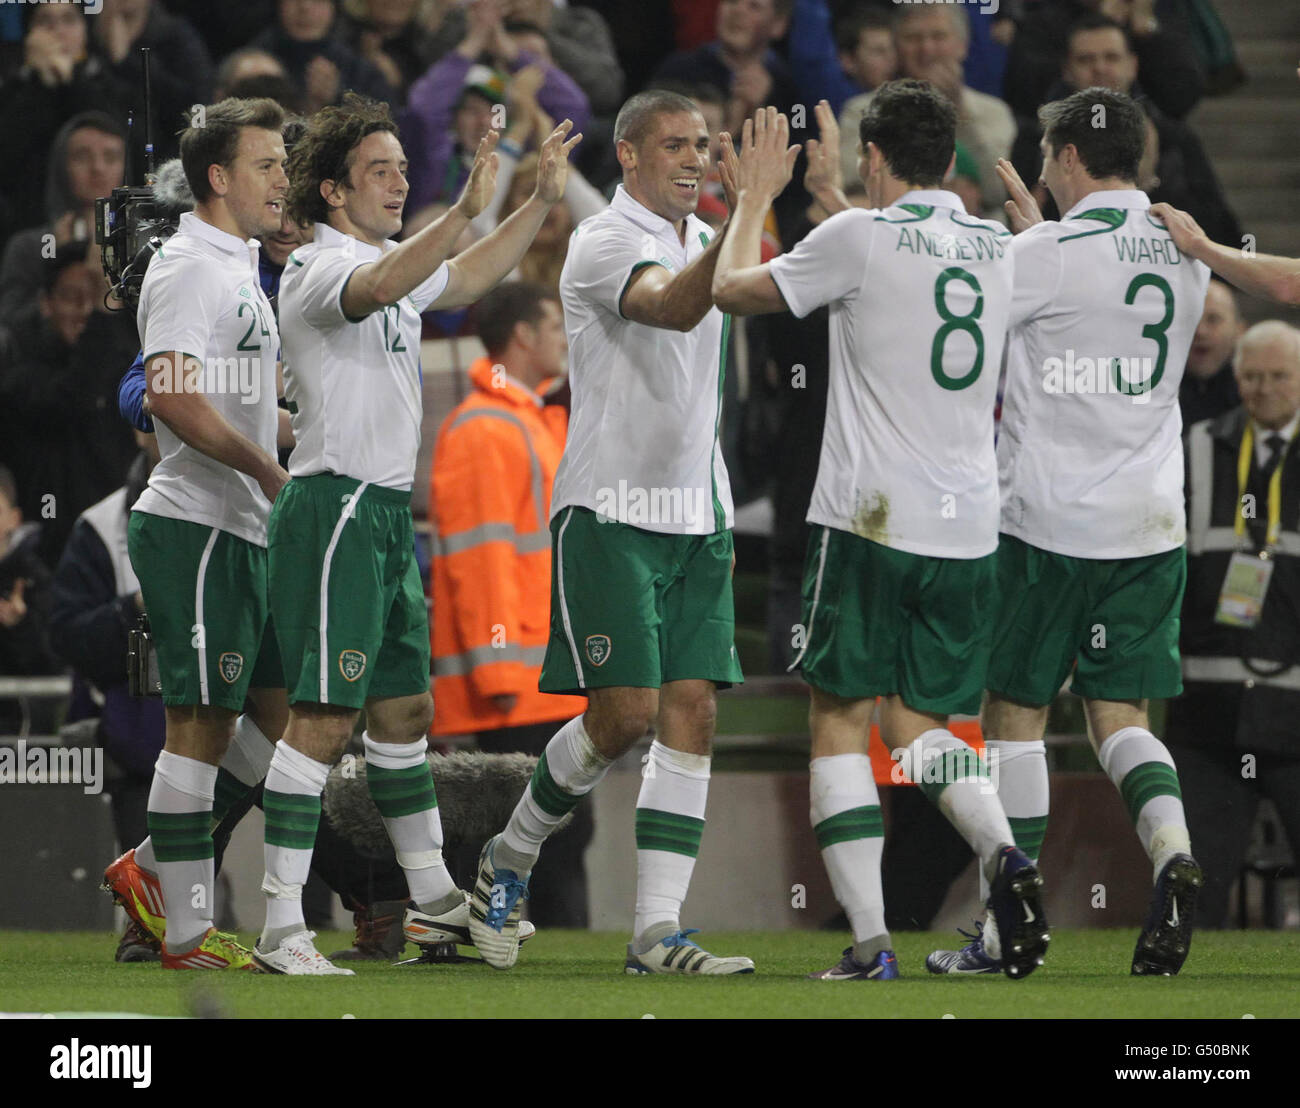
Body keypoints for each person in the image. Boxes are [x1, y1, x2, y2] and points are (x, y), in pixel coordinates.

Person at [714, 85, 1046, 982]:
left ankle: (870, 942)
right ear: (950, 159)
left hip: (868, 518)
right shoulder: (997, 244)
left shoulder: (858, 237)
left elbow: (730, 289)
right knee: (918, 723)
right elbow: (900, 261)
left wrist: (754, 198)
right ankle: (1006, 854)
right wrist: (836, 198)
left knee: (839, 716)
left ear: (873, 157)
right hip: (970, 528)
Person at [259, 92, 579, 974]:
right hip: (334, 509)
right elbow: (390, 283)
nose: (399, 182)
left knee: (403, 717)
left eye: (405, 167)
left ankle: (435, 902)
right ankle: (281, 924)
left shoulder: (387, 261)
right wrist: (464, 210)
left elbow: (469, 277)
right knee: (321, 721)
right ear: (331, 191)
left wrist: (537, 201)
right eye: (380, 171)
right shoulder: (321, 271)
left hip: (388, 517)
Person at [467, 88, 752, 976]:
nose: (694, 159)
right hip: (610, 511)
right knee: (623, 716)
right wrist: (749, 212)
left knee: (693, 712)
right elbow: (671, 308)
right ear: (627, 156)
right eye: (675, 145)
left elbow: (766, 291)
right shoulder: (600, 244)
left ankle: (656, 933)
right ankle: (507, 857)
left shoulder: (709, 241)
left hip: (699, 514)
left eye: (703, 144)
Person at [930, 86, 1210, 978]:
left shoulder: (1045, 251)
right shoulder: (1187, 248)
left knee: (1015, 713)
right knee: (1120, 717)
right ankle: (1170, 854)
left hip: (1047, 523)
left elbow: (960, 317)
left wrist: (1018, 245)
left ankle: (1007, 925)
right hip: (1152, 520)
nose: (1044, 165)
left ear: (1071, 159)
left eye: (1050, 152)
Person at [109, 96, 292, 971]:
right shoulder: (188, 266)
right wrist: (263, 464)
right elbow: (173, 397)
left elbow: (236, 399)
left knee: (275, 716)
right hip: (195, 522)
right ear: (218, 178)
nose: (283, 180)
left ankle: (151, 867)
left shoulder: (242, 268)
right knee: (200, 721)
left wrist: (306, 439)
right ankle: (183, 931)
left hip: (243, 525)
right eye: (267, 165)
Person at [430, 280, 590, 926]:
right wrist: (497, 671)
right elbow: (482, 559)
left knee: (559, 842)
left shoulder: (527, 422)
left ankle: (519, 950)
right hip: (515, 687)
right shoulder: (487, 429)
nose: (563, 339)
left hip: (542, 678)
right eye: (554, 325)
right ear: (521, 336)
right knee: (532, 845)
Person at [1171, 320, 1300, 928]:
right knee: (1191, 886)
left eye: (1280, 376)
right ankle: (1173, 1010)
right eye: (1251, 376)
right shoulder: (1194, 446)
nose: (1264, 388)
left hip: (1296, 713)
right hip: (1209, 713)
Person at [1009, 15, 1239, 245]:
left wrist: (1150, 185)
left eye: (1111, 57)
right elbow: (1019, 221)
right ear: (1066, 70)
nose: (1099, 68)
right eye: (1085, 60)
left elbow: (1217, 226)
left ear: (1133, 65)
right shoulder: (1037, 141)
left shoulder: (1174, 138)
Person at [838, 6, 1015, 221]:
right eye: (913, 38)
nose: (926, 49)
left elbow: (998, 191)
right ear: (896, 47)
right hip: (893, 229)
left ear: (963, 45)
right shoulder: (863, 109)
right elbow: (848, 179)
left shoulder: (993, 111)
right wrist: (927, 193)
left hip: (979, 234)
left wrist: (960, 114)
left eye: (938, 36)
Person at [1180, 278, 1242, 429]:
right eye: (1190, 319)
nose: (1200, 331)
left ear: (1239, 331)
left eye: (1213, 319)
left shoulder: (1259, 394)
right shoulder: (1153, 393)